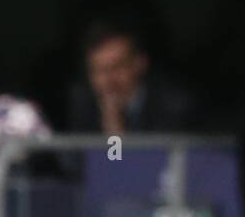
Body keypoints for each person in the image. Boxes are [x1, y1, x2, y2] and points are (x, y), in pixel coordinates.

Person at [66, 21, 195, 134]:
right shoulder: (83, 103)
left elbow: (128, 161)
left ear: (140, 63)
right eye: (99, 71)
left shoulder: (173, 106)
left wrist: (115, 132)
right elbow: (75, 160)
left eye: (117, 68)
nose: (108, 81)